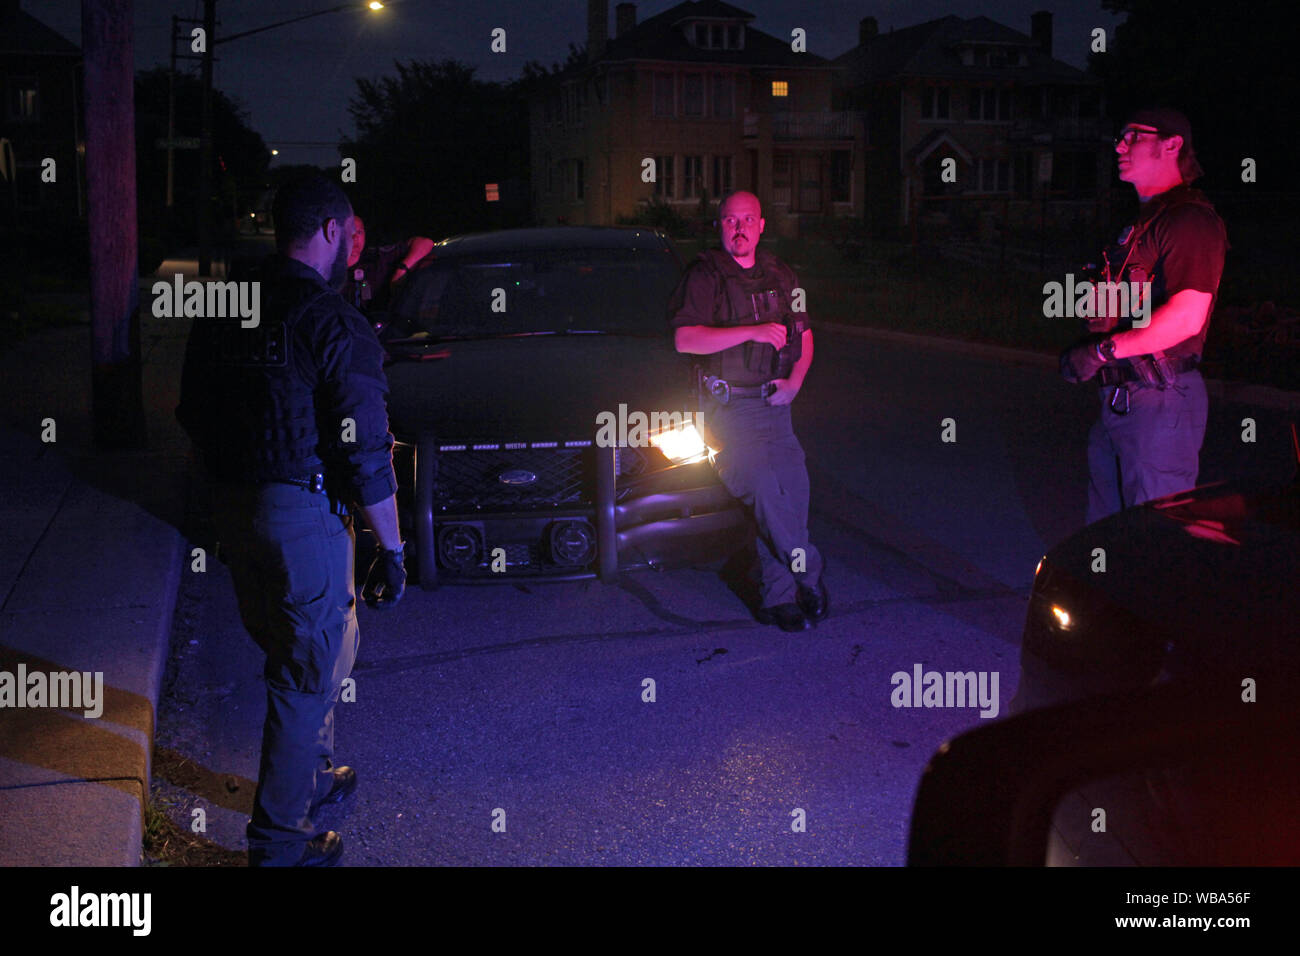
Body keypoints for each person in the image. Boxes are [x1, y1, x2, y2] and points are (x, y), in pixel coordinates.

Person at [176, 175, 408, 866]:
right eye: (350, 234)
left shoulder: (228, 308)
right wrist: (390, 548)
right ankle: (278, 845)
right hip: (301, 511)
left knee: (307, 649)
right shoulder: (335, 322)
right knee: (305, 673)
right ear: (333, 232)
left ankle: (312, 772)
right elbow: (367, 453)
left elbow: (192, 411)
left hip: (234, 506)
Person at [668, 190, 828, 631]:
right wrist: (751, 332)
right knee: (762, 491)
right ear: (720, 225)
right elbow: (686, 340)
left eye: (747, 221)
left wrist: (795, 382)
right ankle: (808, 574)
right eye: (729, 221)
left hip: (775, 406)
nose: (738, 229)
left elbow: (805, 336)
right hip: (727, 412)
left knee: (793, 495)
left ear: (761, 226)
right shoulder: (704, 276)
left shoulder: (782, 275)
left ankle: (781, 599)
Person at [1060, 108, 1228, 524]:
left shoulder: (1189, 220)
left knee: (1157, 535)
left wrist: (1101, 351)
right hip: (1123, 398)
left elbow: (1187, 317)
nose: (1119, 146)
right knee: (1110, 534)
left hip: (1160, 398)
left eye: (1133, 136)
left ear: (1172, 145)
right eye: (1120, 137)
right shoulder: (1144, 224)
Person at [340, 215, 435, 315]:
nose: (355, 237)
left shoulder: (377, 258)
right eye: (349, 232)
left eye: (359, 232)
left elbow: (425, 243)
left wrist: (401, 270)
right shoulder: (327, 270)